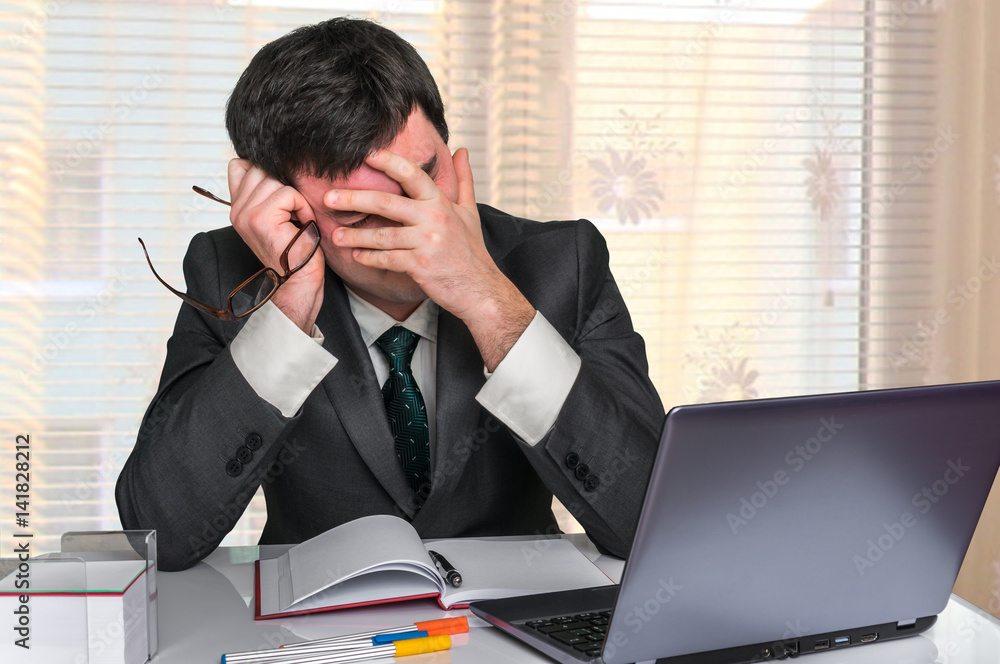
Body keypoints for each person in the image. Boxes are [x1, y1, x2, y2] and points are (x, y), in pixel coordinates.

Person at [116, 17, 664, 572]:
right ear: (285, 207)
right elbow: (161, 533)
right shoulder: (231, 272)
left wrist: (488, 299)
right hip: (318, 640)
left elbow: (655, 521)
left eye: (425, 178)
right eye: (360, 214)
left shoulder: (563, 262)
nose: (417, 227)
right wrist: (289, 307)